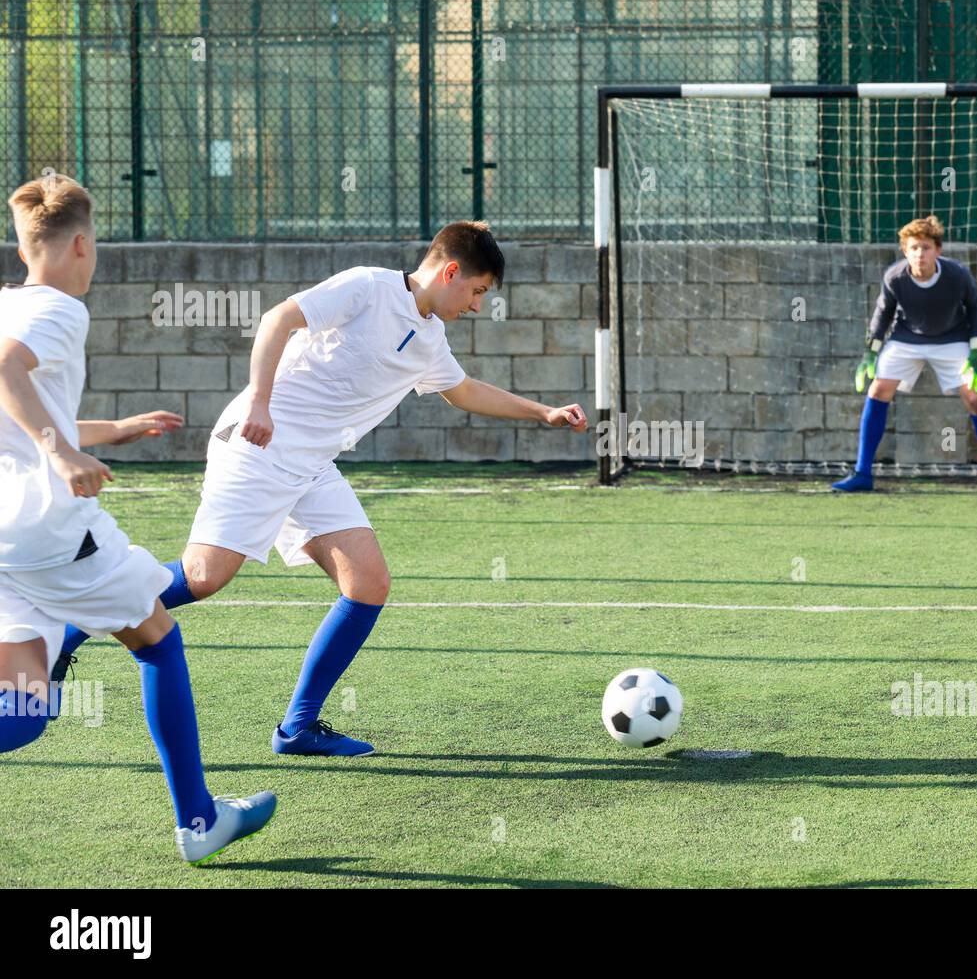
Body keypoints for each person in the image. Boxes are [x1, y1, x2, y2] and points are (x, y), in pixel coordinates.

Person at [58, 220, 588, 756]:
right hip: (258, 446)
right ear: (450, 271)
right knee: (203, 578)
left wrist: (542, 412)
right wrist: (260, 401)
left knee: (368, 583)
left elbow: (463, 390)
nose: (476, 306)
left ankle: (298, 729)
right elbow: (278, 319)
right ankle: (82, 615)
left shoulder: (430, 337)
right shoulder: (369, 287)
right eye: (476, 291)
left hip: (310, 466)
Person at [0, 174, 276, 862]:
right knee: (157, 639)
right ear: (82, 247)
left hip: (5, 536)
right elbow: (4, 370)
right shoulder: (61, 309)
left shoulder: (4, 305)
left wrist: (108, 429)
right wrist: (61, 452)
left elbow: (18, 399)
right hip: (50, 531)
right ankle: (199, 822)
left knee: (26, 710)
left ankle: (200, 819)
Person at [833, 215, 977, 493]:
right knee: (878, 389)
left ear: (938, 250)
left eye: (926, 247)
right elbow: (881, 316)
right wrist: (870, 354)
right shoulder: (895, 277)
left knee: (975, 397)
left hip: (952, 339)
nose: (920, 254)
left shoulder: (957, 275)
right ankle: (862, 473)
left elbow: (976, 309)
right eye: (914, 248)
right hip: (906, 339)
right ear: (905, 251)